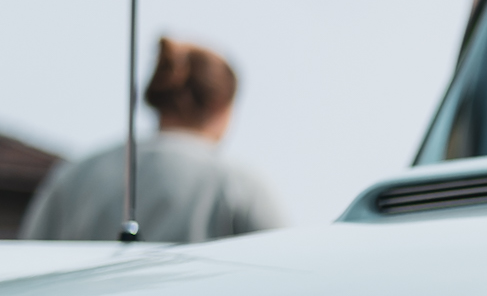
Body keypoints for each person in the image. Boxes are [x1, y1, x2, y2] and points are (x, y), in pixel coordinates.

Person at [20, 38, 291, 242]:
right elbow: (285, 277)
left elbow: (28, 269)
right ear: (221, 105)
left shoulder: (74, 176)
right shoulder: (238, 185)